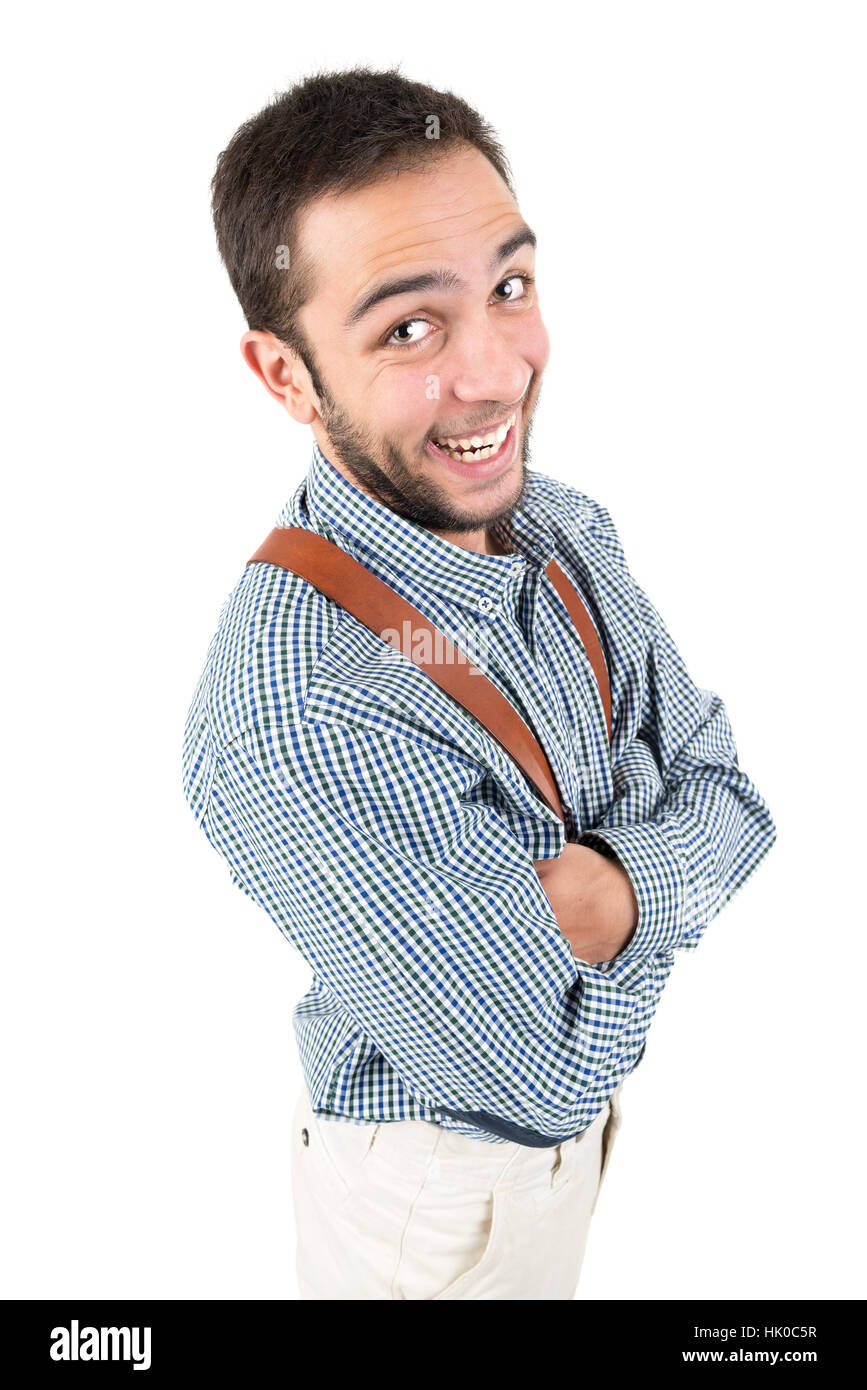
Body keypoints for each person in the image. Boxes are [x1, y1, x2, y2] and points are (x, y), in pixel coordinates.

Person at [182, 67, 777, 1300]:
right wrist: (666, 869)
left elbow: (738, 797)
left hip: (563, 1179)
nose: (497, 373)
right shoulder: (299, 706)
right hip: (427, 1204)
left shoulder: (559, 527)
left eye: (508, 287)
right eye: (408, 326)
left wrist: (601, 897)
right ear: (286, 376)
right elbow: (535, 1079)